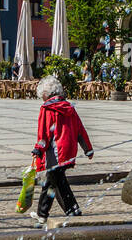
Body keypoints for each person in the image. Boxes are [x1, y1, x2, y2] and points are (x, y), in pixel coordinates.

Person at [31, 73, 94, 223]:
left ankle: (43, 215)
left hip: (55, 152)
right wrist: (87, 149)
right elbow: (80, 130)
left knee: (50, 183)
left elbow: (44, 134)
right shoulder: (69, 108)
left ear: (46, 94)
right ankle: (71, 210)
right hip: (68, 151)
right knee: (57, 182)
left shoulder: (47, 108)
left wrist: (38, 150)